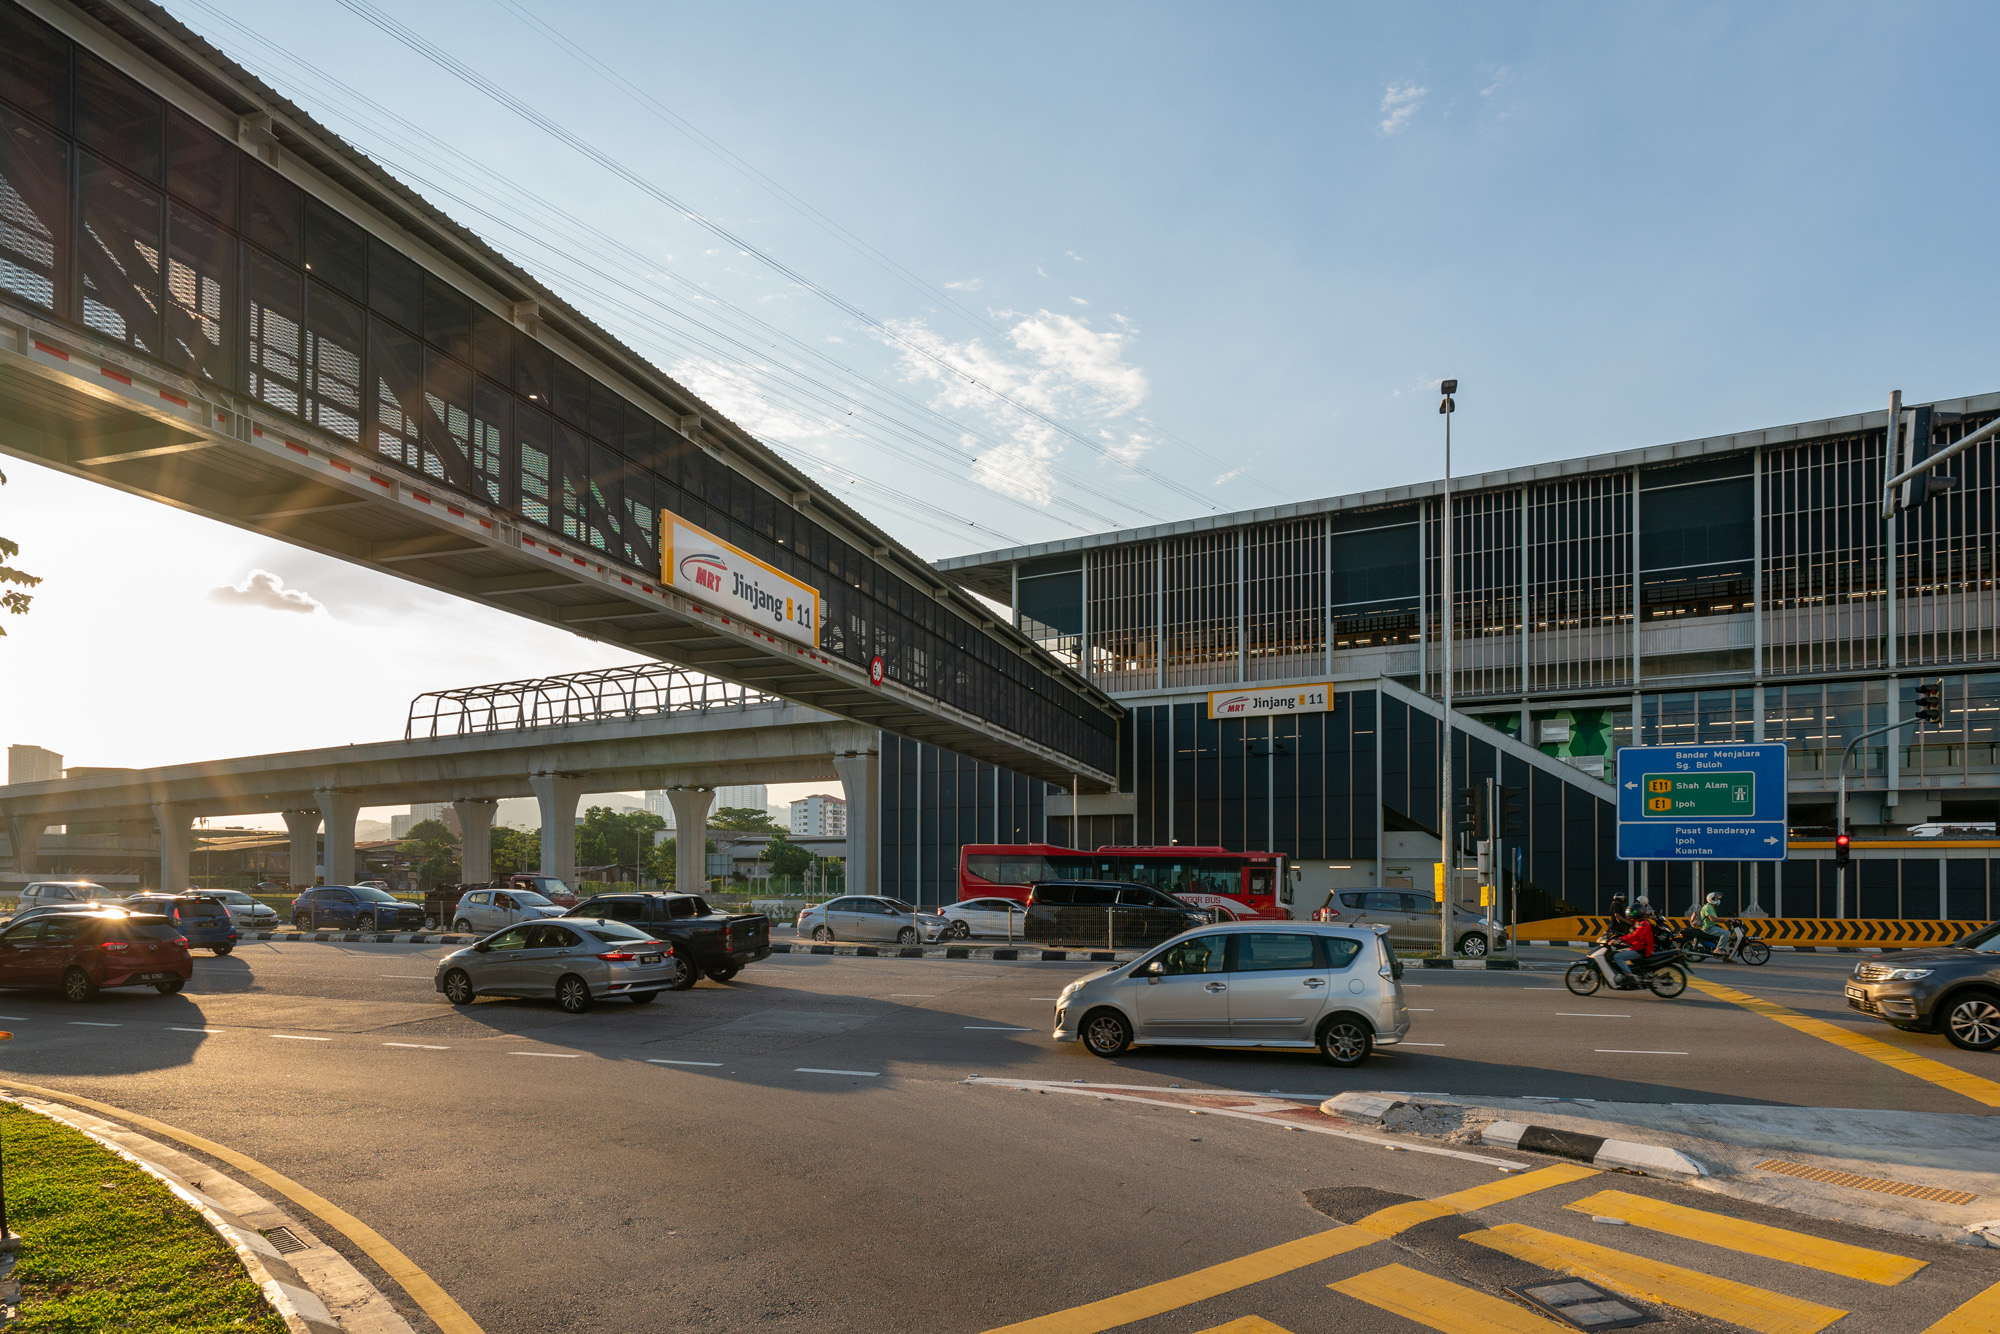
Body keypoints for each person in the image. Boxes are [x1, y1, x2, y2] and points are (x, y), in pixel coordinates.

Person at [1609, 905, 1656, 987]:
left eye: (1632, 912)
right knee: (1617, 953)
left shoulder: (1643, 924)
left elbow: (1635, 936)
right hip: (1636, 948)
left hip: (1640, 950)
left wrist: (1621, 940)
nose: (1630, 914)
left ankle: (1629, 976)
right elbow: (1631, 935)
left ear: (1638, 913)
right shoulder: (1638, 923)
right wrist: (1620, 939)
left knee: (1618, 957)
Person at [1691, 891, 1726, 957]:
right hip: (1708, 928)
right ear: (1712, 899)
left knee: (1723, 933)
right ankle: (1719, 949)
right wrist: (1727, 920)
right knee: (1726, 933)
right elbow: (1713, 919)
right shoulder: (1708, 907)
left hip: (1711, 926)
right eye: (1717, 899)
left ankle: (1724, 956)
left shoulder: (1711, 907)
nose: (1718, 900)